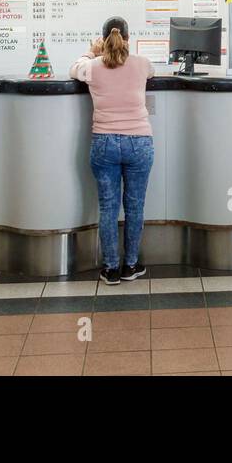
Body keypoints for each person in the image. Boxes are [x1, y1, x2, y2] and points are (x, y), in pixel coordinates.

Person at [69, 17, 154, 285]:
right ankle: (131, 265)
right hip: (139, 142)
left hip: (104, 142)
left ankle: (111, 268)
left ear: (102, 39)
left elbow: (75, 69)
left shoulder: (92, 67)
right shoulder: (142, 64)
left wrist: (91, 52)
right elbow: (150, 72)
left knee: (108, 207)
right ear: (128, 38)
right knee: (135, 206)